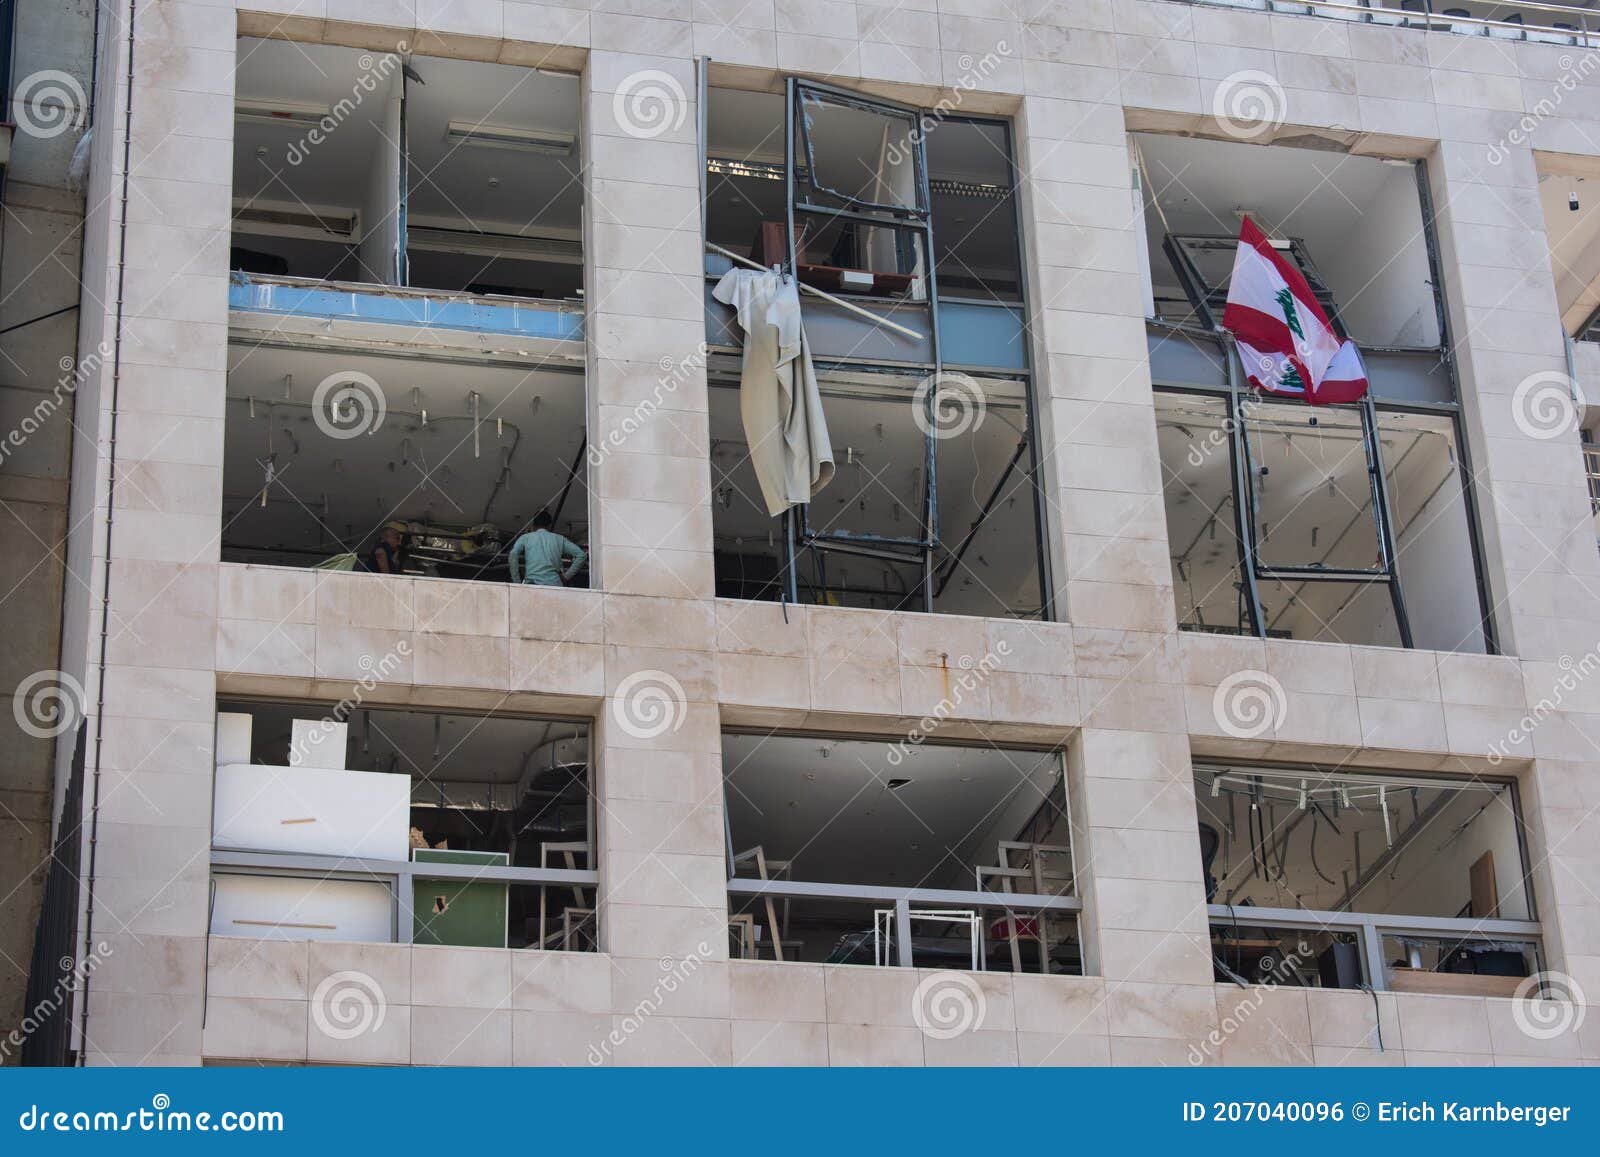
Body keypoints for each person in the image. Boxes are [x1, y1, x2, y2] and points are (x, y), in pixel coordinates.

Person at [508, 511, 586, 587]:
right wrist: (567, 576)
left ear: (533, 525)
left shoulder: (525, 538)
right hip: (555, 585)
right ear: (549, 525)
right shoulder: (559, 539)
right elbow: (581, 555)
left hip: (532, 585)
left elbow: (513, 554)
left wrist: (516, 582)